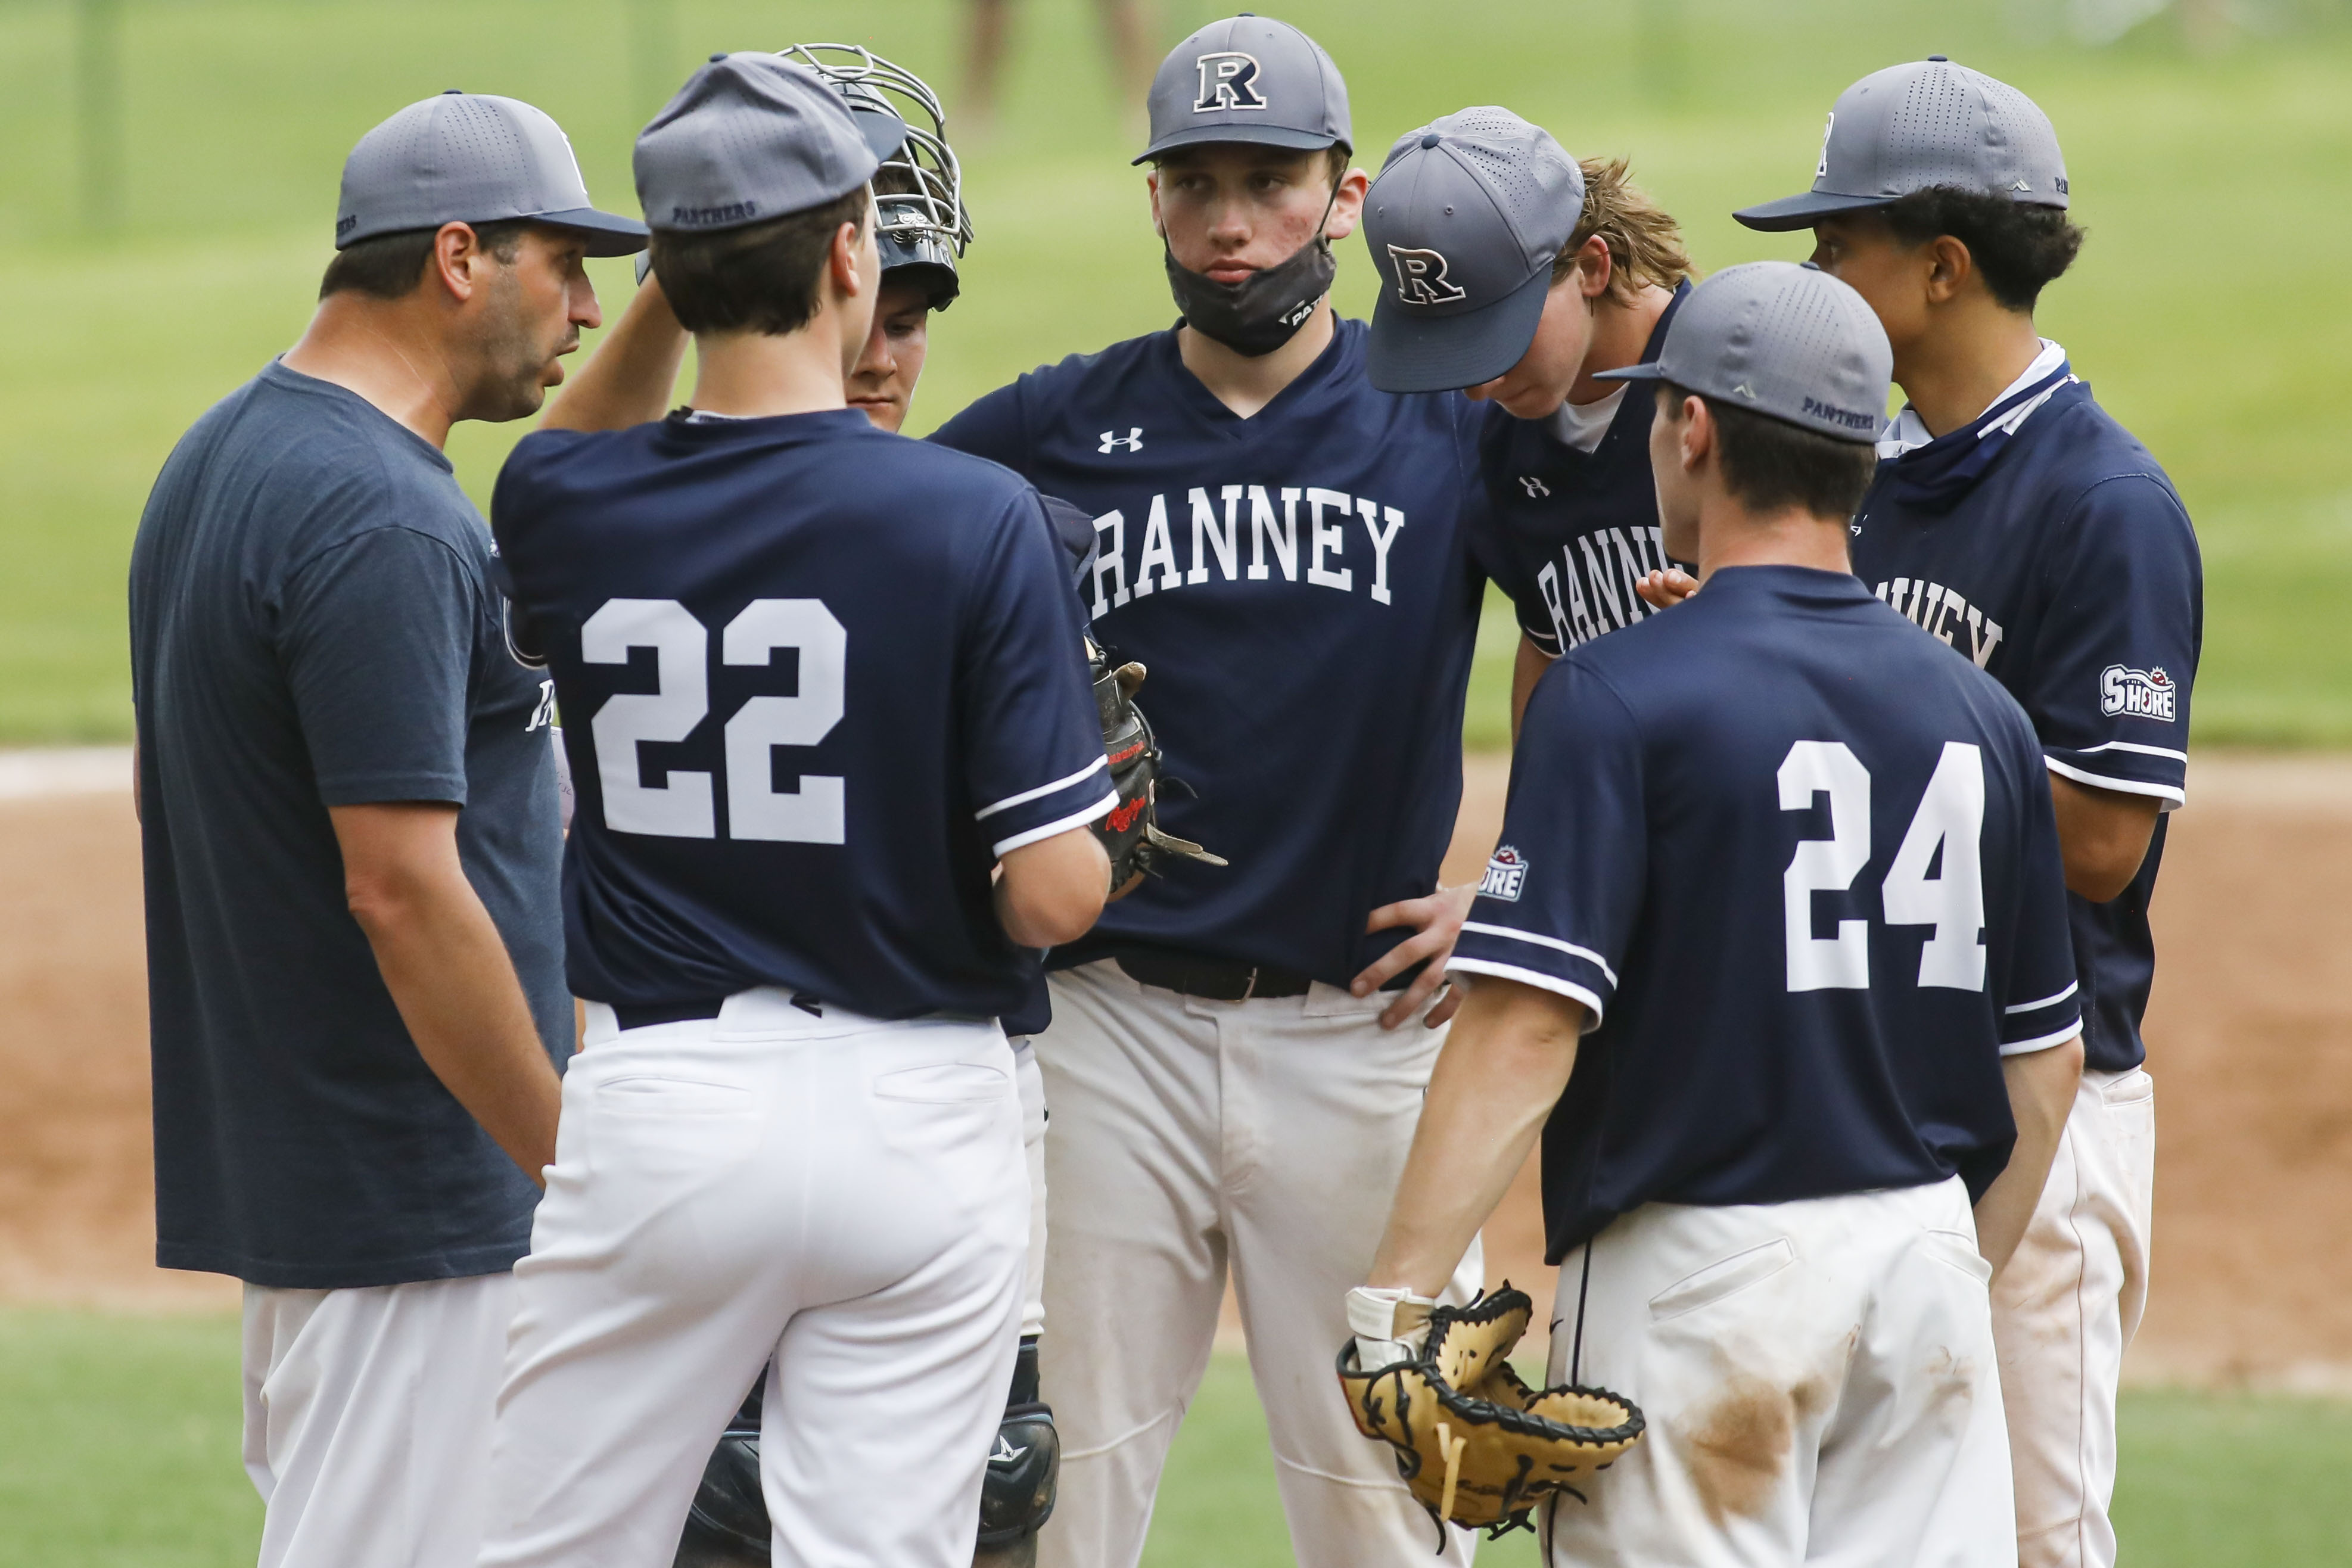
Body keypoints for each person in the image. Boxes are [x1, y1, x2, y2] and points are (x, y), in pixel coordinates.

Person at [474, 54, 1117, 1568]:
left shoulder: (570, 508)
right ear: (853, 254)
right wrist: (1085, 825)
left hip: (670, 1108)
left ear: (678, 274)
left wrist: (690, 265)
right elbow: (1051, 896)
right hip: (926, 1121)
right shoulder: (978, 517)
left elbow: (563, 449)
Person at [1353, 260, 2086, 1566]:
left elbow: (1523, 1027)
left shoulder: (1619, 693)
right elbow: (2045, 1065)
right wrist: (1945, 1269)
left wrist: (1398, 1298)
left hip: (1700, 1281)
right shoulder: (1984, 713)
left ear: (1691, 428)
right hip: (1923, 1263)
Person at [928, 15, 1494, 1567]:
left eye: (1269, 181)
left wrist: (1519, 888)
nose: (1232, 224)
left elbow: (1605, 644)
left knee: (1402, 1510)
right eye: (1194, 185)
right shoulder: (1051, 425)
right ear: (1154, 200)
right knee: (1051, 1501)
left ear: (1348, 192)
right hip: (1109, 1034)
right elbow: (877, 555)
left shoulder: (1445, 424)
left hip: (1367, 1032)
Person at [125, 91, 643, 1568]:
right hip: (421, 1206)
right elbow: (404, 894)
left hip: (327, 1189)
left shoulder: (227, 460)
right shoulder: (380, 521)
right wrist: (576, 1178)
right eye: (567, 266)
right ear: (463, 257)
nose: (588, 310)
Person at [1728, 59, 2201, 1568]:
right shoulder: (1863, 474)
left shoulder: (2100, 504)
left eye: (1839, 242)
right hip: (1865, 1085)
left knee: (2031, 1540)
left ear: (1939, 268)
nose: (1814, 267)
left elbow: (2106, 840)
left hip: (2035, 1105)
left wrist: (1864, 704)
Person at [1359, 107, 1695, 739]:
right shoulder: (1503, 435)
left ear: (1592, 267)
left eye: (1497, 337)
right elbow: (1546, 643)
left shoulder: (1735, 389)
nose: (1480, 387)